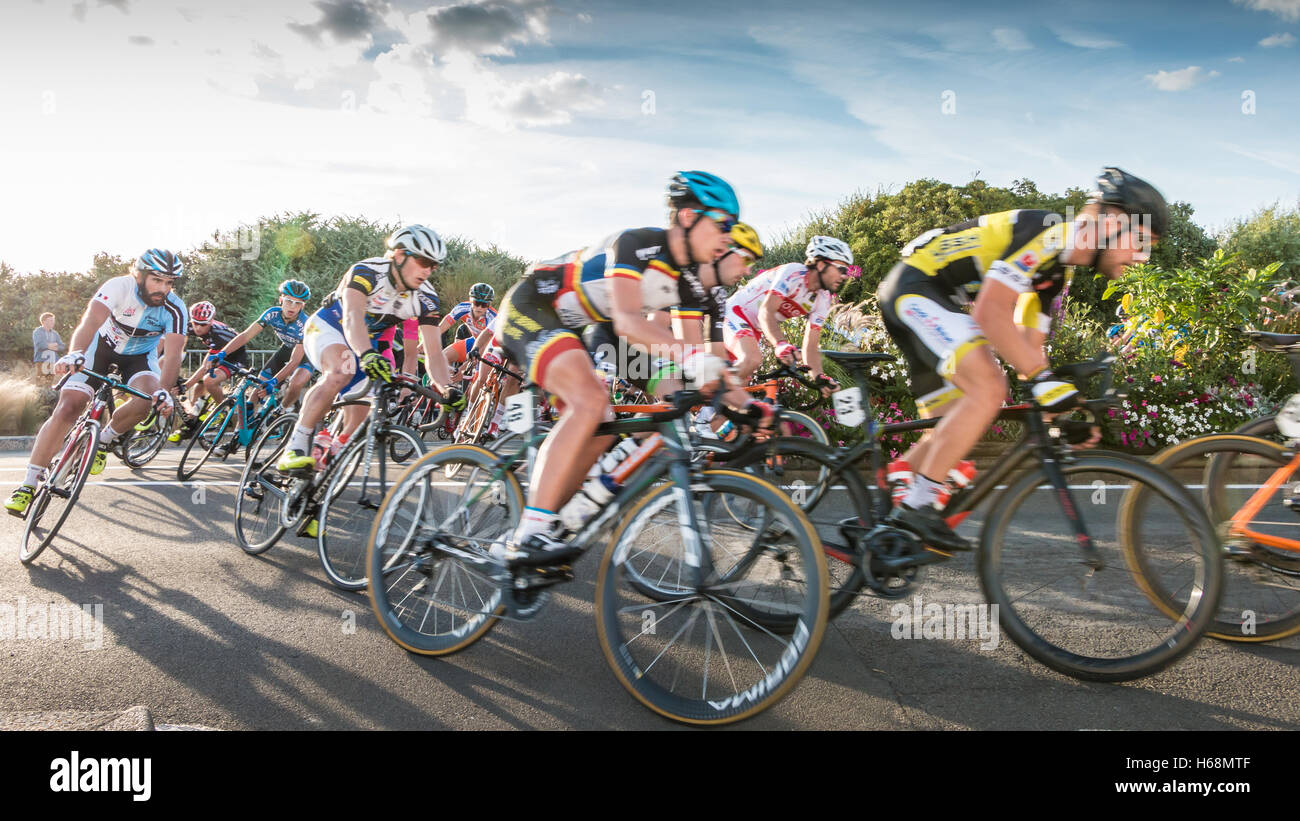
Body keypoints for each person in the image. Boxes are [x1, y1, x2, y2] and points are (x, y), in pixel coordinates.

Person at [877, 166, 1169, 552]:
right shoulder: (1050, 233)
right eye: (1141, 241)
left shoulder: (1055, 274)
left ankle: (884, 520)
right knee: (989, 387)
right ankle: (915, 509)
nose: (1142, 258)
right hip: (916, 288)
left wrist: (1065, 409)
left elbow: (1030, 348)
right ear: (1111, 222)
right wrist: (1042, 379)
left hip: (933, 299)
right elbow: (990, 313)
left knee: (952, 430)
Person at [492, 171, 765, 563]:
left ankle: (553, 521)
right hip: (536, 306)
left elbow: (691, 355)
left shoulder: (690, 282)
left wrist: (747, 407)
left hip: (581, 327)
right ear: (688, 217)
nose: (727, 237)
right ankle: (529, 533)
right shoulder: (638, 244)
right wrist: (695, 361)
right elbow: (626, 322)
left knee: (612, 422)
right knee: (590, 401)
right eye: (723, 225)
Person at [6, 250, 186, 516]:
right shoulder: (119, 287)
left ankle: (103, 440)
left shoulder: (175, 308)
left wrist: (163, 392)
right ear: (140, 274)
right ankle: (28, 484)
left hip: (138, 358)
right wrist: (76, 351)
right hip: (99, 350)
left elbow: (172, 355)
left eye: (169, 282)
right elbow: (90, 321)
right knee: (69, 406)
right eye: (157, 280)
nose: (163, 288)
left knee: (147, 400)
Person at [275, 225, 457, 473]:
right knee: (341, 370)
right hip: (329, 327)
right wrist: (367, 354)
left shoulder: (426, 298)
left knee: (365, 406)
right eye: (424, 261)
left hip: (362, 342)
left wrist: (446, 388)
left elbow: (435, 353)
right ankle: (295, 446)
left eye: (434, 265)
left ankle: (323, 461)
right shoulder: (368, 271)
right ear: (400, 255)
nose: (428, 270)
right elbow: (351, 317)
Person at [724, 234, 857, 387]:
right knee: (751, 359)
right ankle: (706, 396)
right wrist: (780, 343)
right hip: (734, 313)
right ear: (821, 265)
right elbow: (765, 312)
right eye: (841, 269)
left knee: (741, 383)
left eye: (846, 271)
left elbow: (811, 347)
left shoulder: (823, 299)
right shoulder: (793, 273)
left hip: (754, 328)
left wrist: (819, 378)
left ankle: (710, 403)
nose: (845, 276)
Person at [178, 300, 248, 413]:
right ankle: (194, 416)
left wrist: (185, 387)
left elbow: (205, 367)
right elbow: (179, 349)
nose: (198, 328)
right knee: (199, 387)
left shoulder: (217, 333)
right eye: (195, 323)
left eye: (203, 324)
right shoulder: (190, 326)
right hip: (218, 352)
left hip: (235, 357)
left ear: (211, 321)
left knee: (209, 380)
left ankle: (223, 412)